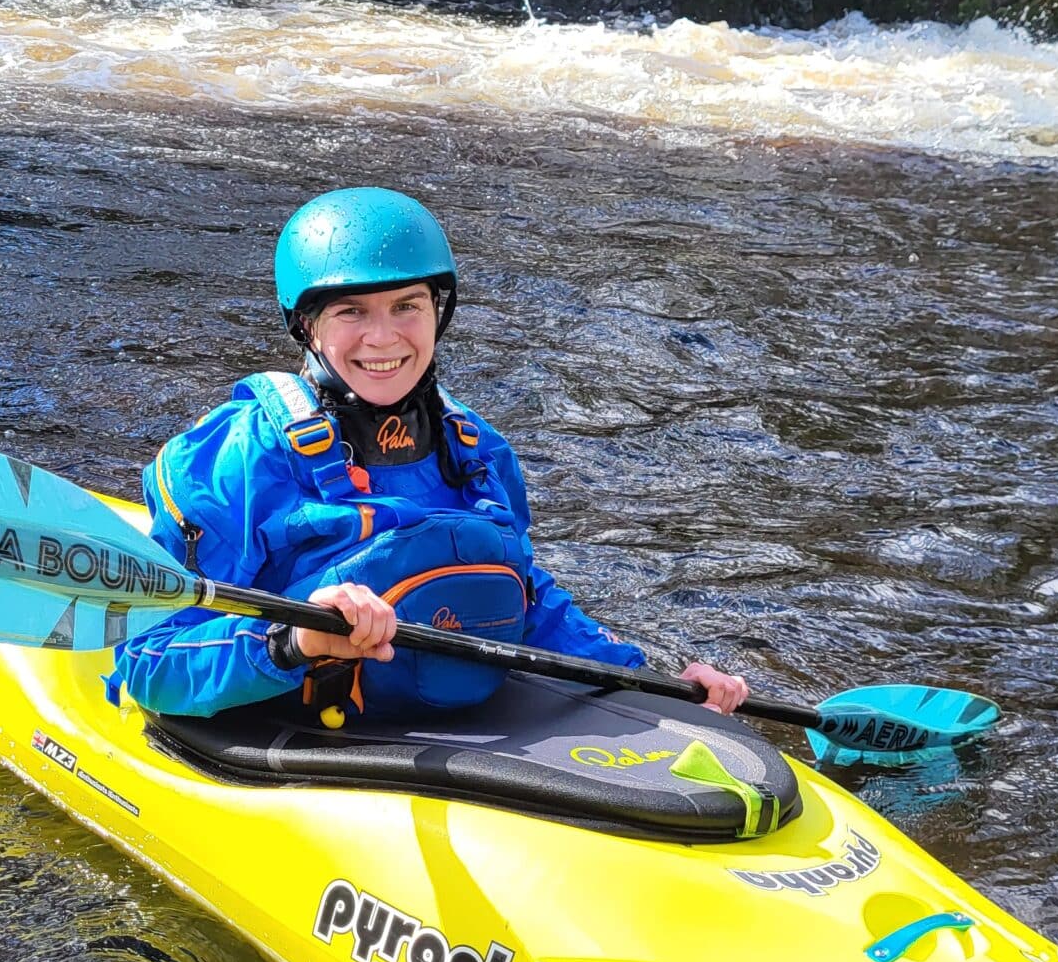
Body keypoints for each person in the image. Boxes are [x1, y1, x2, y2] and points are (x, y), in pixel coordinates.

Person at [111, 187, 750, 725]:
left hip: (449, 720)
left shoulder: (476, 450)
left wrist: (652, 683)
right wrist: (294, 640)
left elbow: (524, 595)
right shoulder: (238, 456)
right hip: (305, 728)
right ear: (306, 325)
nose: (383, 337)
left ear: (438, 313)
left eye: (407, 307)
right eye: (351, 311)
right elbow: (146, 666)